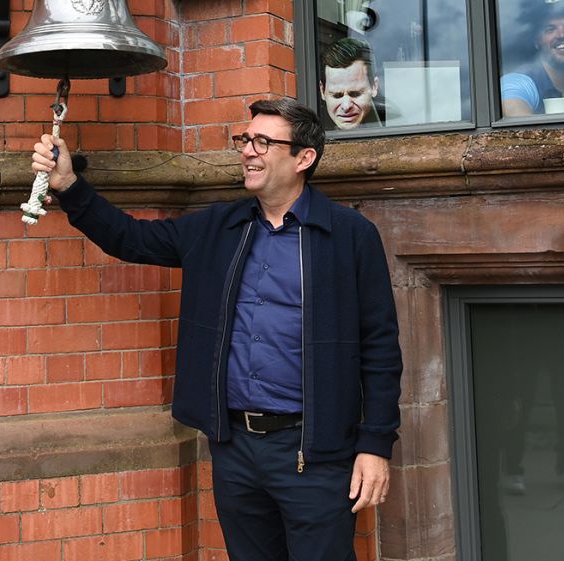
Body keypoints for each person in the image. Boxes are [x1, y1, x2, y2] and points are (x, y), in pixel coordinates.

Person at [31, 97, 402, 561]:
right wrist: (69, 186)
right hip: (236, 451)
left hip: (315, 454)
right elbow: (133, 238)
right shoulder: (219, 228)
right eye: (245, 139)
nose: (248, 150)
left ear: (304, 158)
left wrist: (375, 445)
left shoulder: (350, 235)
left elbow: (381, 347)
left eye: (264, 142)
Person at [320, 37, 384, 129]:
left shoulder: (393, 123)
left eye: (355, 94)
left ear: (374, 87)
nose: (346, 106)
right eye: (337, 95)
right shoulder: (308, 136)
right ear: (322, 91)